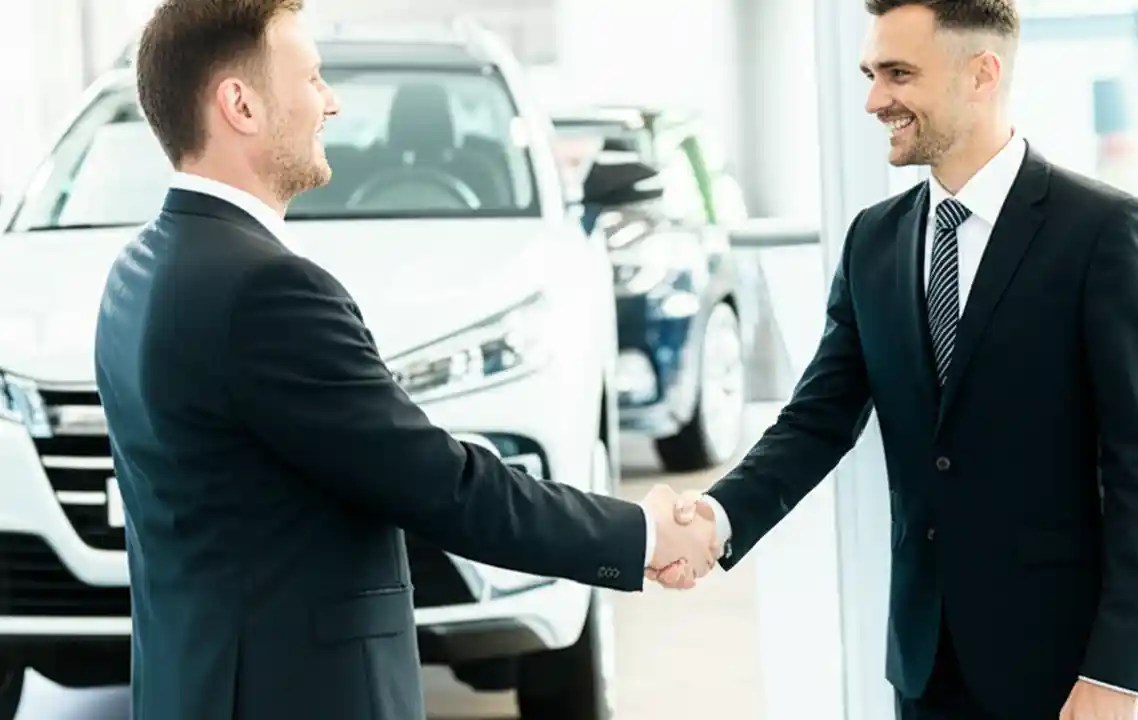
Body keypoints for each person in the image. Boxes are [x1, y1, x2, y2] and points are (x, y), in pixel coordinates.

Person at [93, 2, 716, 718]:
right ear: (240, 104)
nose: (329, 102)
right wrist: (642, 536)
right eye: (313, 78)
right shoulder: (266, 290)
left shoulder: (139, 269)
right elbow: (443, 484)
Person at [654, 1, 1138, 718]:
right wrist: (715, 520)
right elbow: (816, 421)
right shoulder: (875, 241)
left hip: (1070, 669)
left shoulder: (1105, 232)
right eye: (872, 74)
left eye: (899, 74)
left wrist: (1118, 672)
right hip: (927, 664)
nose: (876, 99)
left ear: (982, 74)